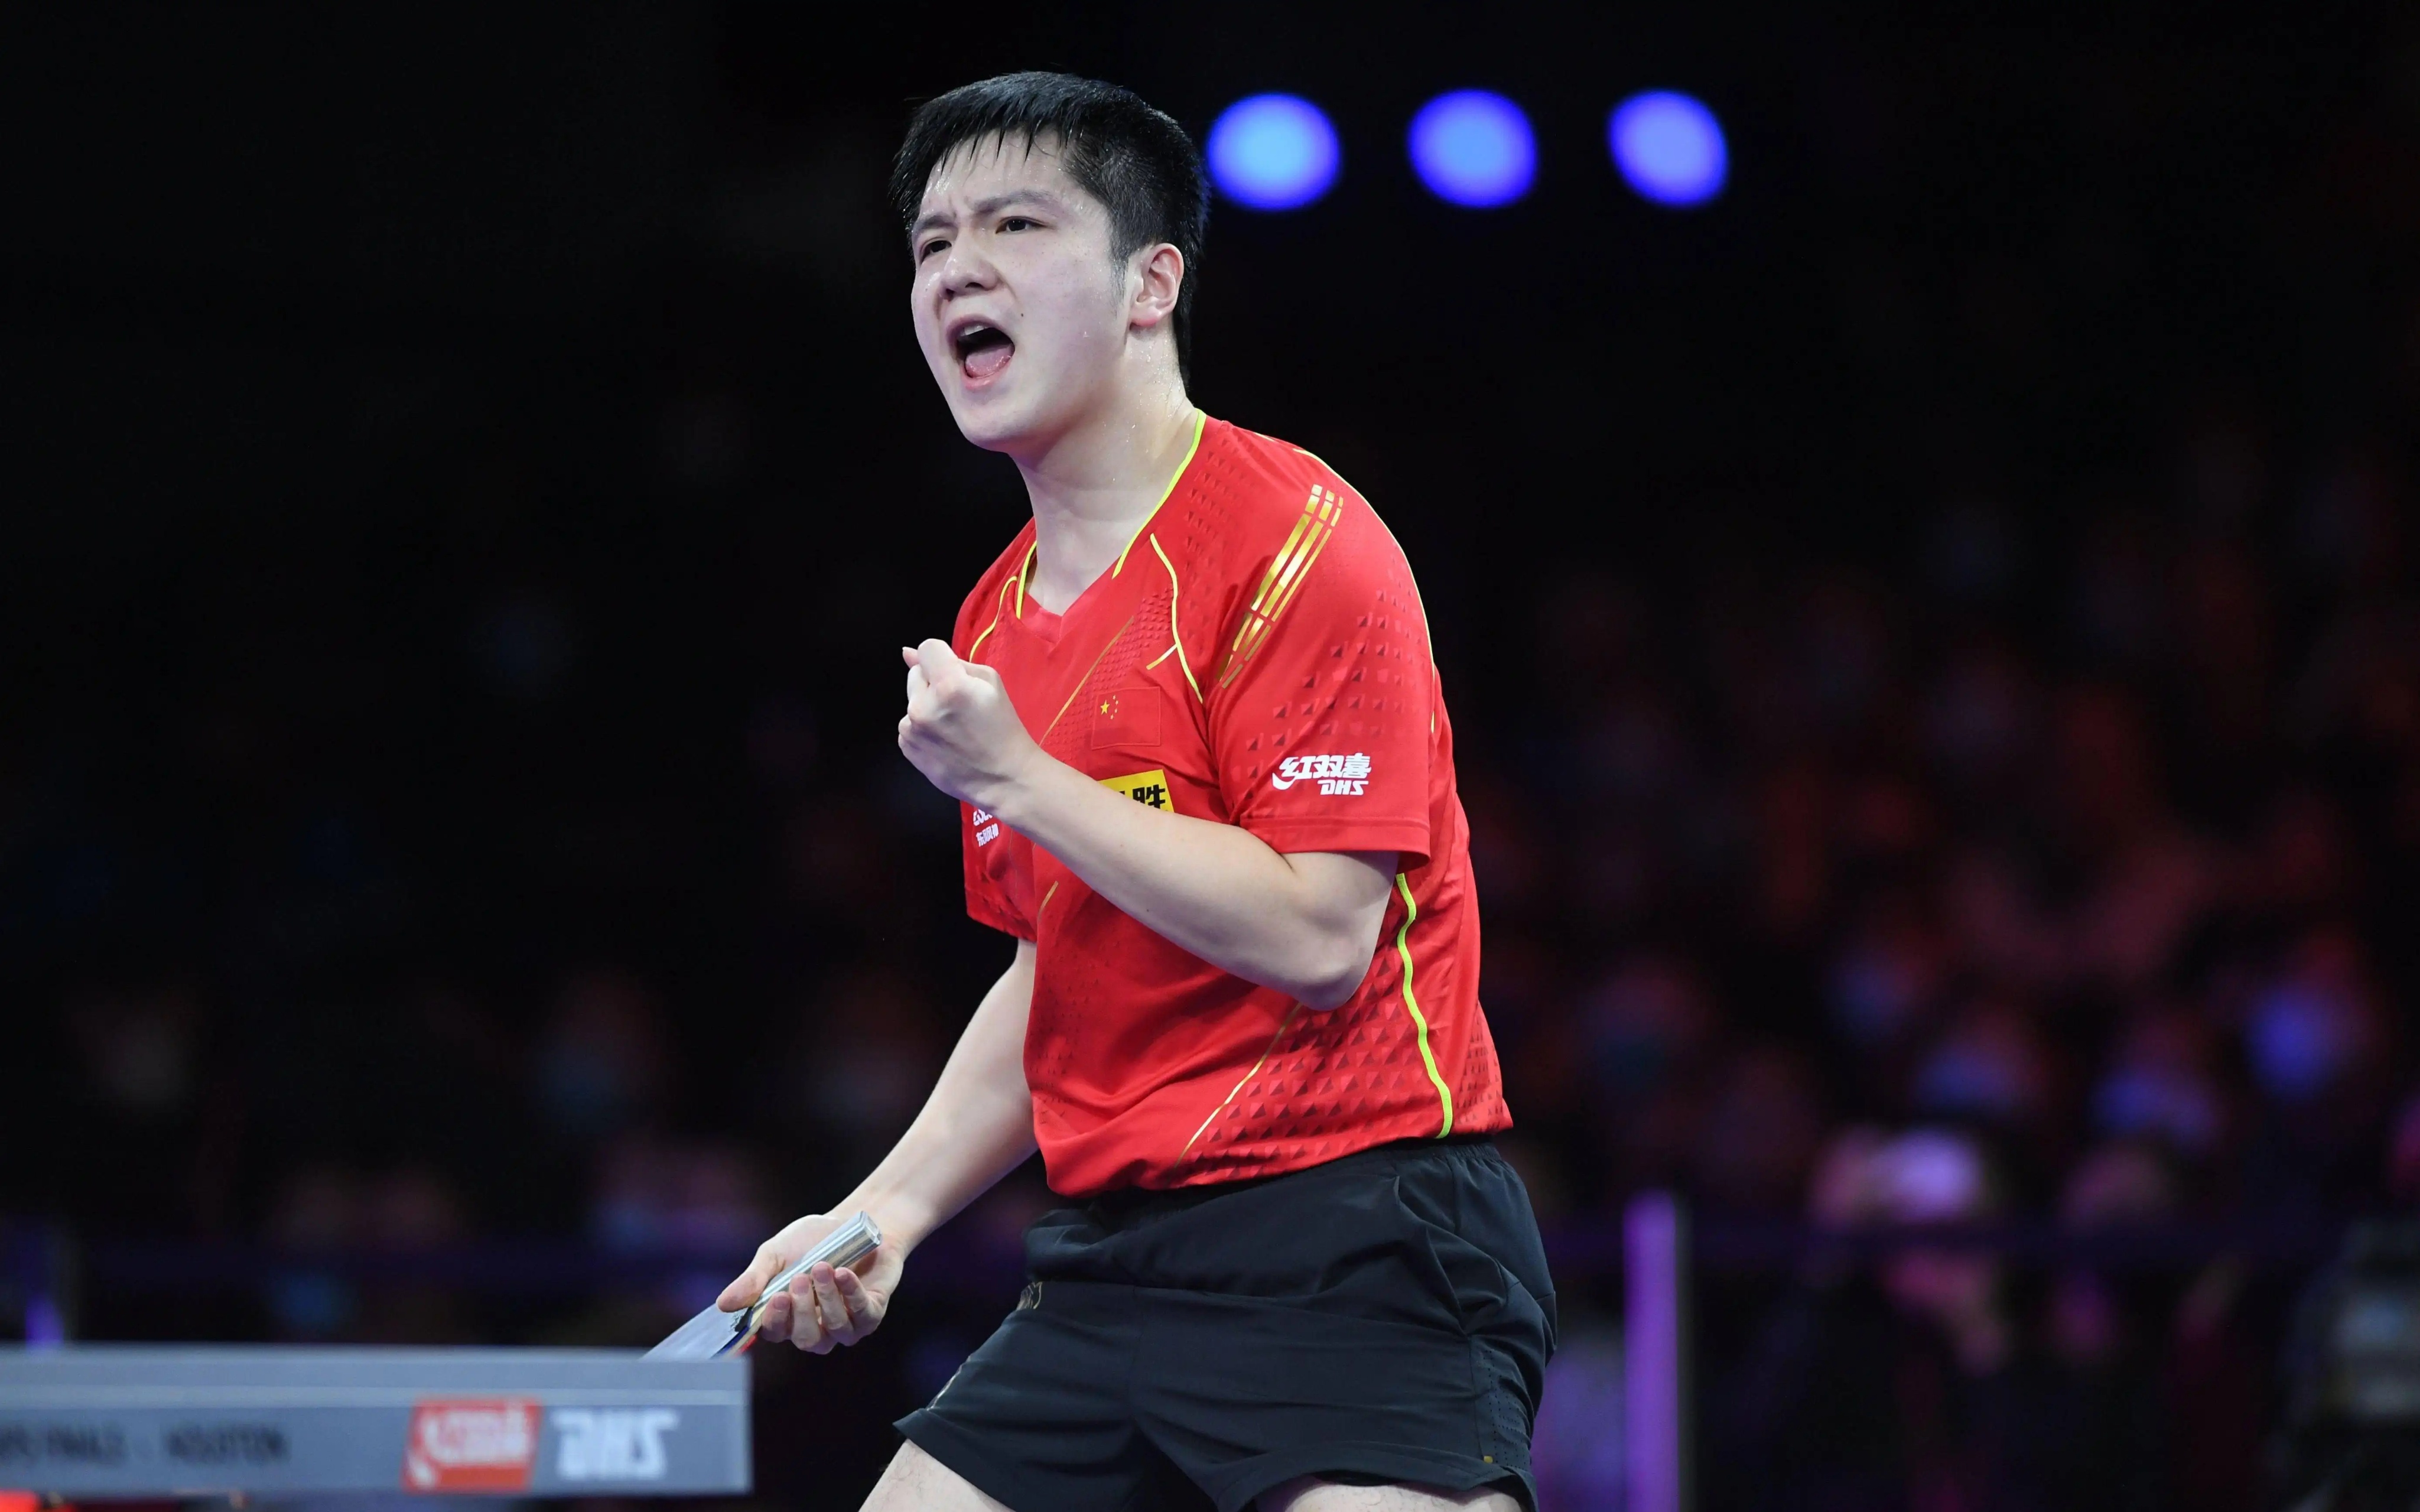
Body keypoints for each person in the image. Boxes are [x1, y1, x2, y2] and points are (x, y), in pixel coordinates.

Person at [717, 73, 1551, 1512]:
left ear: (1149, 280)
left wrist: (1024, 779)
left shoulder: (1300, 542)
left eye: (1015, 225)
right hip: (1114, 1260)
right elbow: (1060, 959)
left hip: (1359, 1233)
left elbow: (1315, 937)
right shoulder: (994, 625)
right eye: (929, 243)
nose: (957, 268)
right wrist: (881, 1211)